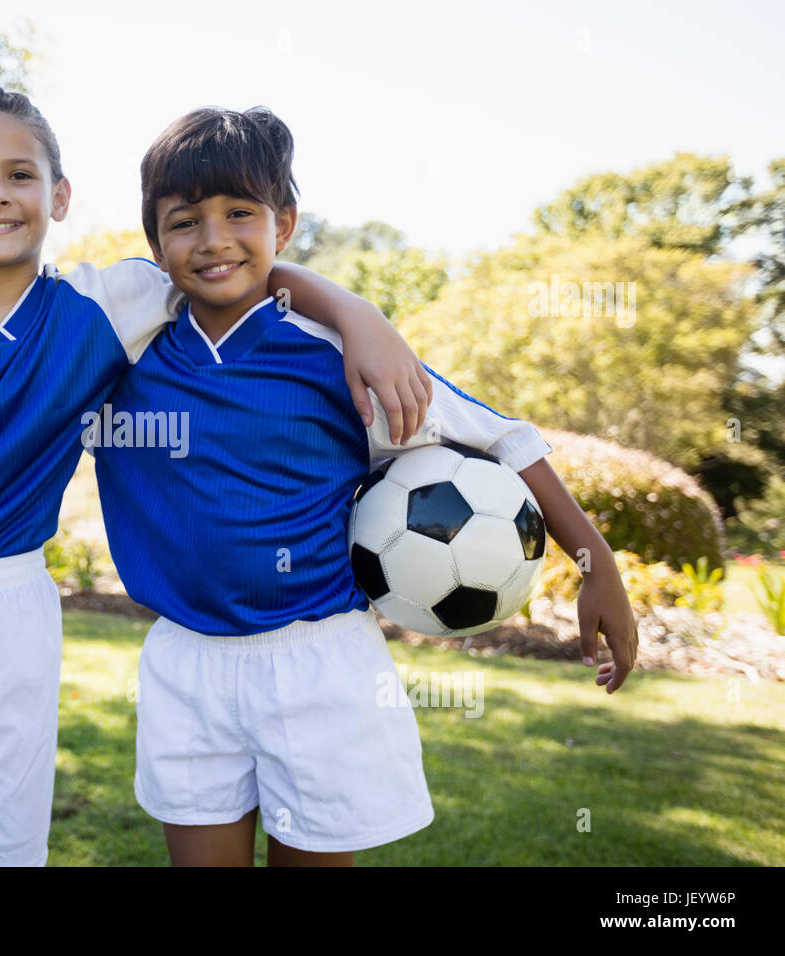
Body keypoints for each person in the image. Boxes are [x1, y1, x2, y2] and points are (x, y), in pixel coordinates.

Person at [0, 87, 437, 867]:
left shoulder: (114, 301)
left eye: (19, 174)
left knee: (2, 849)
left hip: (9, 603)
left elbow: (236, 261)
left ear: (58, 196)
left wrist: (354, 311)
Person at [87, 105, 640, 866]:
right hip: (186, 663)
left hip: (320, 662)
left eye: (239, 213)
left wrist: (594, 561)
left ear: (283, 225)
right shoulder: (123, 353)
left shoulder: (343, 357)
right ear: (155, 243)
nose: (213, 239)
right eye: (185, 221)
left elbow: (498, 436)